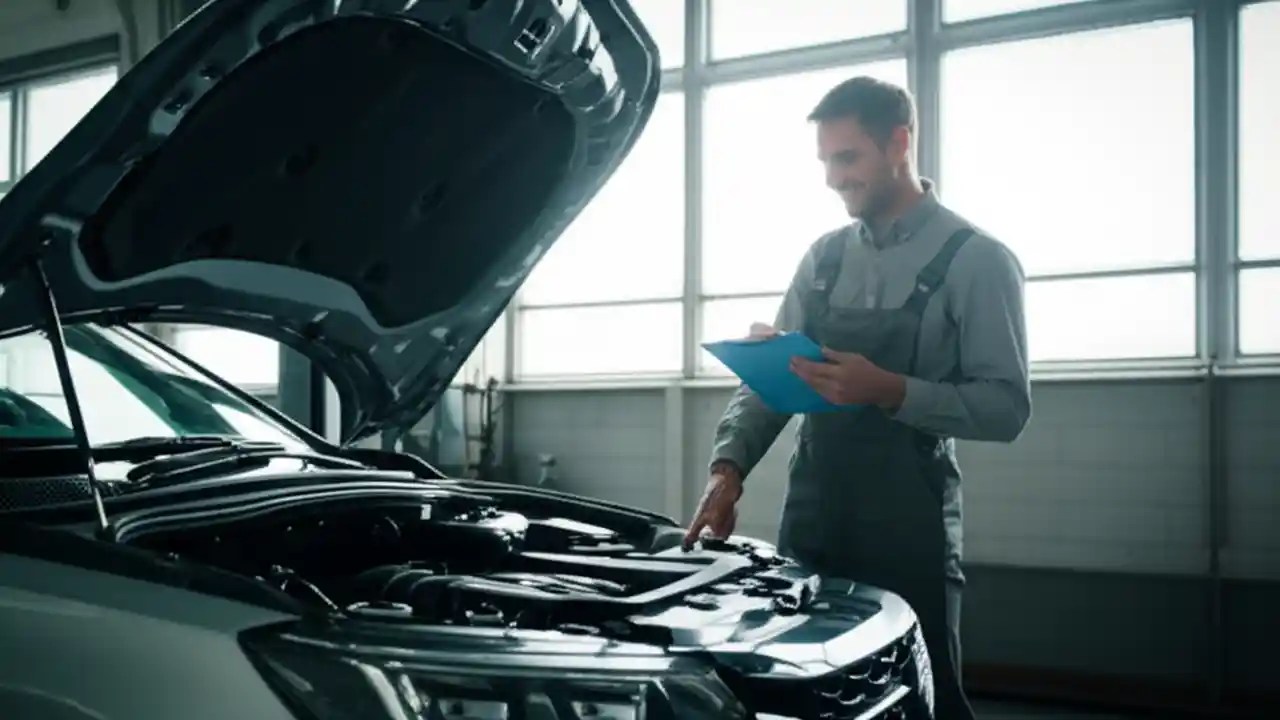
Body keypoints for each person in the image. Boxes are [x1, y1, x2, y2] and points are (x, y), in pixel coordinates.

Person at [684, 76, 1031, 720]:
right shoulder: (821, 260)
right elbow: (769, 384)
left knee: (922, 696)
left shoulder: (977, 261)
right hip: (812, 516)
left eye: (847, 159)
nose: (832, 180)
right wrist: (726, 472)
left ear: (899, 142)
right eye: (825, 161)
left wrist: (891, 390)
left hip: (910, 527)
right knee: (796, 686)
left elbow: (1007, 407)